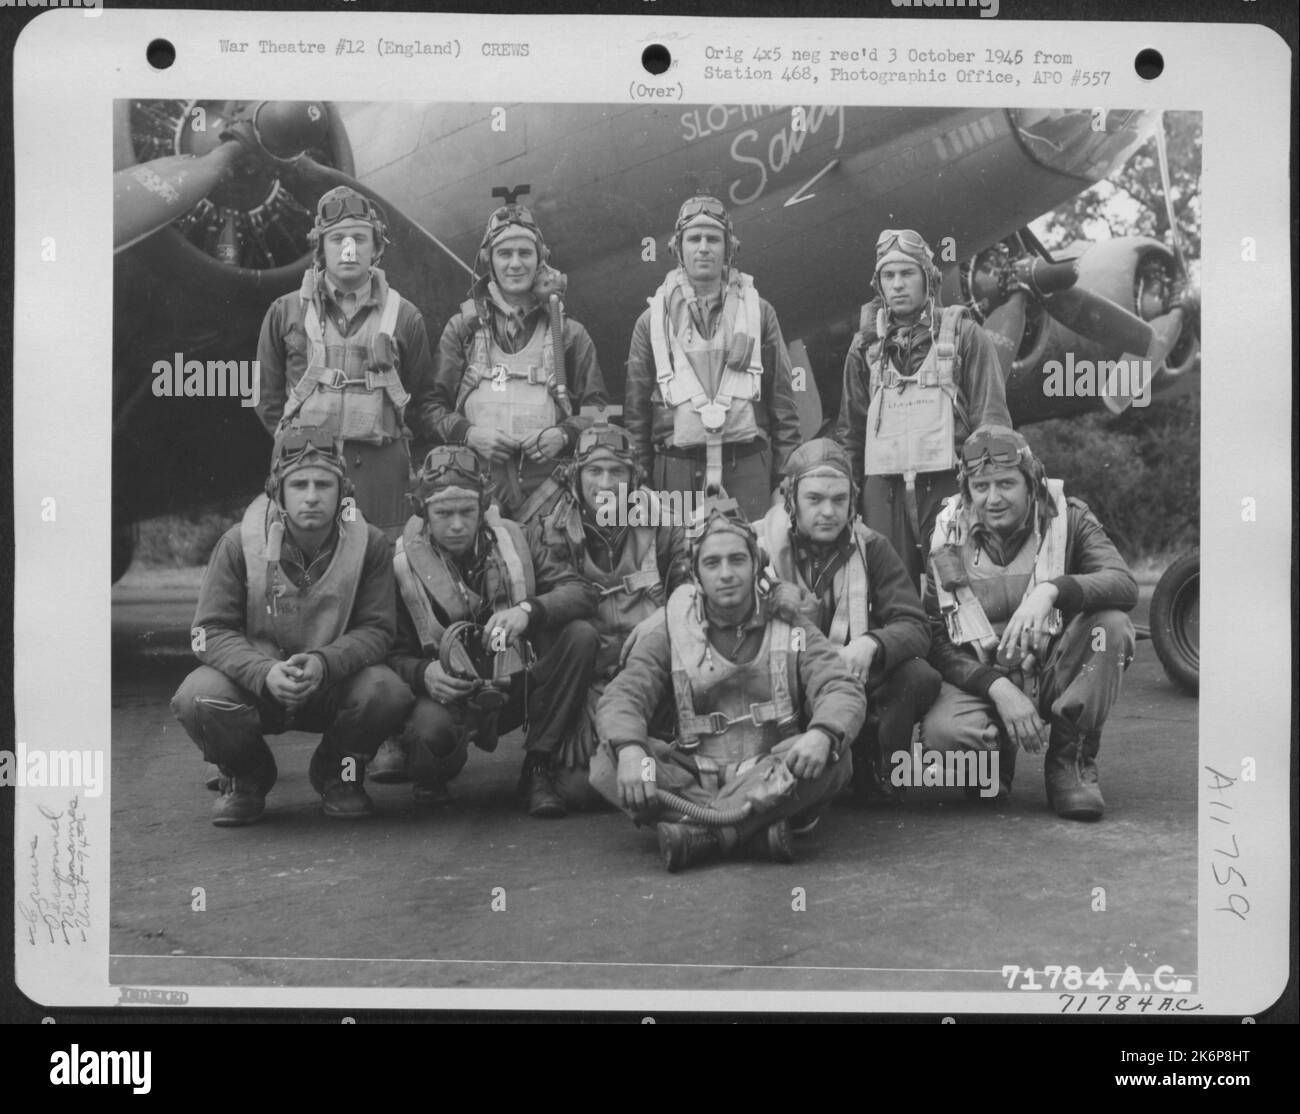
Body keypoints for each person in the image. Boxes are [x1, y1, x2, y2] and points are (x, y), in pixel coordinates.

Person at [594, 498, 866, 872]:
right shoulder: (673, 628)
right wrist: (629, 751)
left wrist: (821, 734)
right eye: (712, 562)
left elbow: (839, 686)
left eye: (737, 560)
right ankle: (752, 830)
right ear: (695, 573)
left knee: (836, 754)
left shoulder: (790, 623)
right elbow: (625, 694)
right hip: (693, 775)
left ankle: (702, 833)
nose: (726, 573)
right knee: (607, 762)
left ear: (756, 565)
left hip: (770, 769)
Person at [171, 425, 414, 825]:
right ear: (277, 491)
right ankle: (246, 775)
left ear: (343, 491)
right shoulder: (237, 543)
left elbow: (378, 630)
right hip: (258, 684)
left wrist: (324, 662)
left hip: (331, 682)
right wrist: (263, 672)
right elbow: (206, 633)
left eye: (324, 484)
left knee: (386, 691)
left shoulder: (368, 543)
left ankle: (339, 774)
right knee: (196, 696)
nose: (313, 496)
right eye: (299, 484)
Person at [920, 425, 1137, 820]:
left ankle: (1070, 762)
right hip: (985, 676)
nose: (994, 497)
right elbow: (937, 637)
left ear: (1031, 482)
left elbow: (1123, 583)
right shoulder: (946, 534)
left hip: (1053, 665)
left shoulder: (1069, 516)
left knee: (1111, 626)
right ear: (967, 490)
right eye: (981, 486)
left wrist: (1052, 590)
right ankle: (995, 752)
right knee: (943, 738)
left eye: (1006, 483)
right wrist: (999, 689)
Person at [386, 446, 603, 817]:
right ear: (422, 511)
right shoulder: (399, 561)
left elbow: (582, 593)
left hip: (513, 683)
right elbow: (386, 650)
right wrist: (423, 673)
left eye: (467, 512)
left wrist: (528, 611)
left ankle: (538, 764)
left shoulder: (518, 538)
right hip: (446, 691)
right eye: (443, 513)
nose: (456, 524)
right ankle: (427, 769)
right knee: (429, 736)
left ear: (483, 507)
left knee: (580, 635)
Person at [755, 438, 940, 801]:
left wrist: (872, 643)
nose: (828, 512)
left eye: (839, 500)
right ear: (791, 500)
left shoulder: (873, 547)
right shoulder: (754, 547)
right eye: (814, 499)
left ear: (852, 501)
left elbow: (916, 626)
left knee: (918, 675)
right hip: (782, 677)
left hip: (849, 676)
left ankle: (879, 762)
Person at [255, 186, 440, 539]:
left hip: (382, 470)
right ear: (321, 249)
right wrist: (290, 443)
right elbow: (263, 394)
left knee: (385, 566)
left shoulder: (406, 317)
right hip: (307, 469)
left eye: (360, 238)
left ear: (377, 247)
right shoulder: (284, 312)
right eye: (337, 238)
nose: (349, 248)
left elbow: (421, 397)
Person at [834, 228, 1011, 586]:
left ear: (928, 279)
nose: (897, 284)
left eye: (907, 273)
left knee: (958, 590)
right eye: (889, 276)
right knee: (890, 594)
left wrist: (988, 491)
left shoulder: (963, 334)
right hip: (884, 491)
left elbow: (991, 419)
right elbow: (851, 433)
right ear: (879, 285)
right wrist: (847, 500)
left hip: (948, 483)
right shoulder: (865, 348)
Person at [533, 423, 690, 798]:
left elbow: (694, 588)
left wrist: (664, 615)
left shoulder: (665, 521)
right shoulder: (551, 529)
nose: (606, 483)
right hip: (592, 677)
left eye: (617, 471)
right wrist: (576, 707)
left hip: (655, 668)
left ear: (634, 478)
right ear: (576, 476)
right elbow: (554, 636)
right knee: (577, 789)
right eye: (595, 471)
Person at [426, 204, 607, 523]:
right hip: (477, 491)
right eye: (504, 253)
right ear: (488, 261)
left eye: (525, 253)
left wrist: (563, 435)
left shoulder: (567, 333)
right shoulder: (463, 328)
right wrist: (469, 435)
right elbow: (430, 407)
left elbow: (601, 411)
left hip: (550, 491)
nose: (515, 264)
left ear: (541, 260)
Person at [624, 195, 801, 522]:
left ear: (728, 248)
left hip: (748, 464)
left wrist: (783, 479)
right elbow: (636, 417)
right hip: (675, 467)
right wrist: (641, 480)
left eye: (713, 239)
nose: (703, 248)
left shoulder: (759, 313)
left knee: (753, 559)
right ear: (679, 249)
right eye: (694, 239)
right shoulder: (651, 322)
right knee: (678, 563)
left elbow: (783, 406)